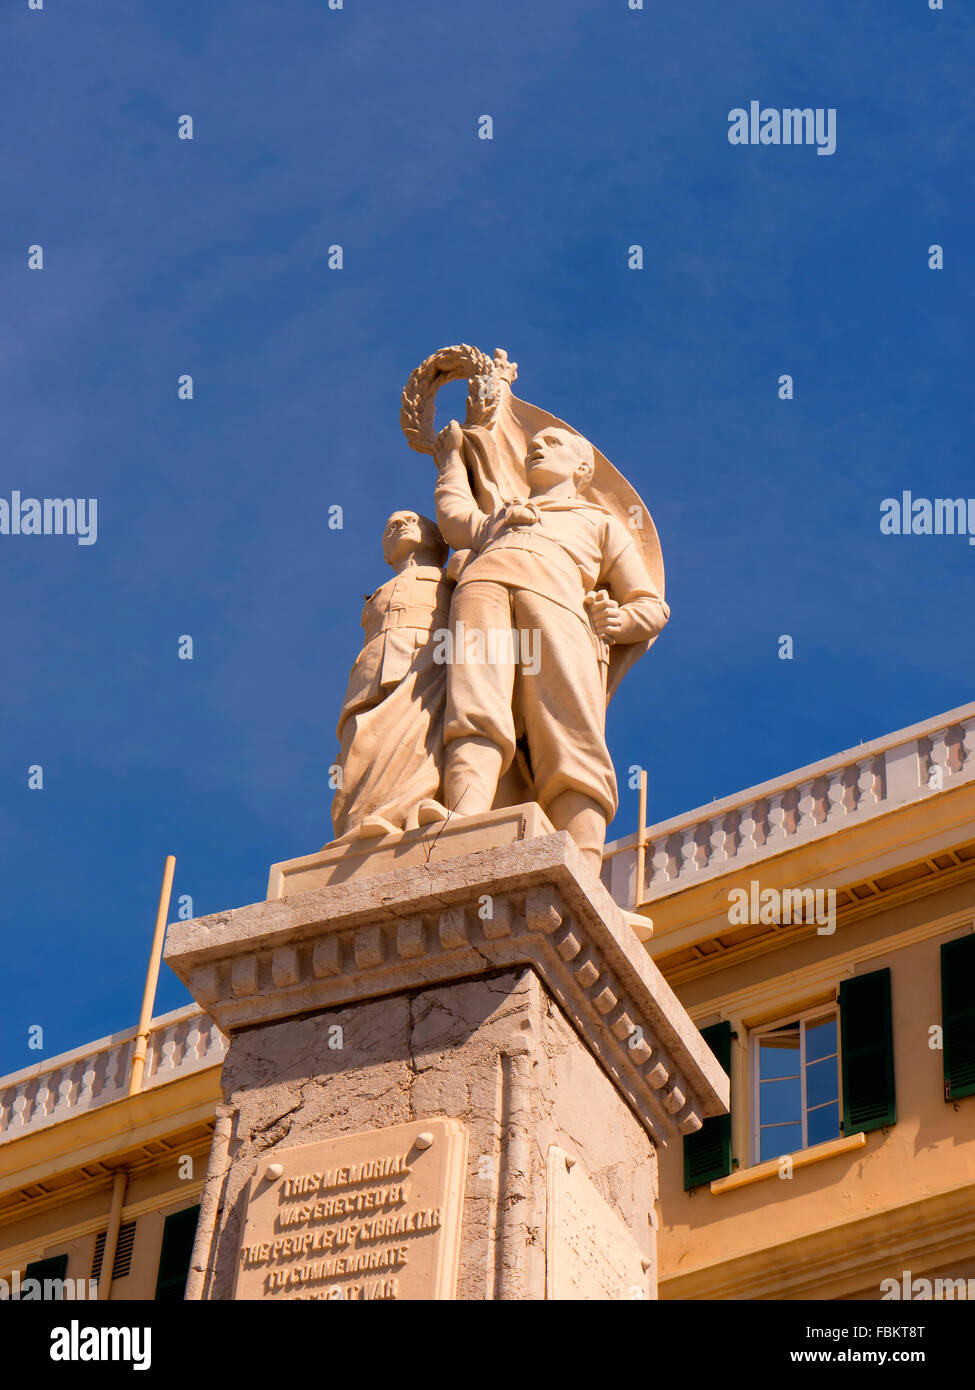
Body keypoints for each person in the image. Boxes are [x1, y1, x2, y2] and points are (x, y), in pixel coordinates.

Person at [424, 420, 669, 869]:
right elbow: (458, 519)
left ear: (581, 467)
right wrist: (450, 462)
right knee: (475, 710)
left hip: (558, 605)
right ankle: (461, 817)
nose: (536, 447)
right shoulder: (504, 512)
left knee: (570, 730)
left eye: (551, 442)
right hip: (483, 587)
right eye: (533, 443)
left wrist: (619, 619)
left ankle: (585, 862)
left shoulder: (599, 523)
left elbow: (652, 605)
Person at [330, 510, 453, 840]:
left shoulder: (449, 578)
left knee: (415, 739)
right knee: (360, 744)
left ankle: (403, 812)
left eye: (411, 520)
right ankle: (357, 824)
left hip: (424, 664)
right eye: (390, 526)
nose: (398, 526)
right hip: (368, 674)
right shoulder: (378, 591)